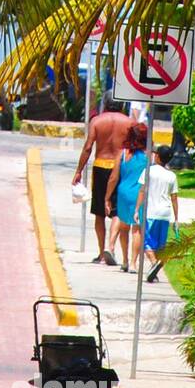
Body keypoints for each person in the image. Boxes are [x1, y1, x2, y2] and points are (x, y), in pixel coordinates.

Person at [72, 95, 132, 265]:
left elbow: (88, 147)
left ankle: (100, 253)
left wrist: (78, 171)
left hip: (100, 167)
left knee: (99, 212)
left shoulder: (97, 121)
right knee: (117, 211)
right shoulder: (129, 123)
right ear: (122, 105)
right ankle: (111, 247)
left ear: (105, 104)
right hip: (119, 168)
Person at [105, 123, 149, 272]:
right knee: (137, 229)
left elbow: (113, 177)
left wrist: (107, 197)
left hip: (123, 192)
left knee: (124, 228)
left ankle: (124, 260)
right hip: (139, 194)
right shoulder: (148, 156)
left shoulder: (122, 153)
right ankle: (133, 263)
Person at [142, 144, 179, 281]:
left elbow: (142, 190)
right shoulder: (172, 176)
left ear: (157, 156)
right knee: (160, 245)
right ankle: (155, 269)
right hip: (165, 214)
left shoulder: (148, 171)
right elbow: (174, 198)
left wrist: (136, 208)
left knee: (146, 242)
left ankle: (154, 263)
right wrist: (176, 218)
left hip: (151, 212)